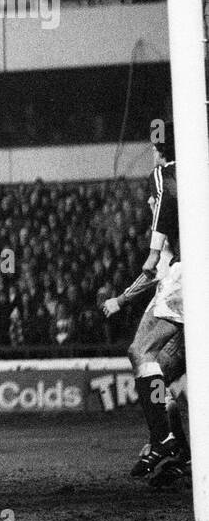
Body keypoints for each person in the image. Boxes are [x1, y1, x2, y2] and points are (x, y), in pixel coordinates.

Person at [101, 124, 184, 479]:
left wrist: (121, 298)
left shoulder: (165, 174)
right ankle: (176, 451)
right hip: (182, 282)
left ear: (157, 149)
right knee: (167, 377)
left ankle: (162, 438)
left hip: (185, 277)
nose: (151, 200)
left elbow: (154, 269)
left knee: (140, 352)